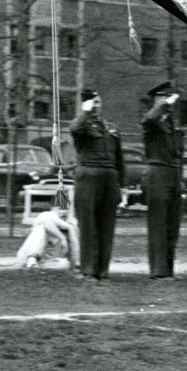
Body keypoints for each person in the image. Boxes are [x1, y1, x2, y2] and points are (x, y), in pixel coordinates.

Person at [70, 88, 124, 281]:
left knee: (107, 225)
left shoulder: (111, 127)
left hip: (109, 178)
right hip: (88, 175)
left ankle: (103, 269)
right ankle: (88, 269)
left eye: (98, 102)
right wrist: (85, 111)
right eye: (93, 102)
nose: (96, 106)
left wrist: (121, 186)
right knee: (88, 224)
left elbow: (119, 159)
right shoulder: (81, 125)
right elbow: (75, 129)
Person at [142, 80, 184, 279]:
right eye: (166, 97)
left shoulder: (169, 122)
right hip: (157, 172)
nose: (171, 102)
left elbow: (177, 152)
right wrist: (163, 105)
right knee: (158, 224)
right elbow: (149, 119)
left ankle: (168, 269)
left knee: (172, 225)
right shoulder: (153, 121)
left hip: (173, 173)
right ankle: (158, 270)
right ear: (158, 99)